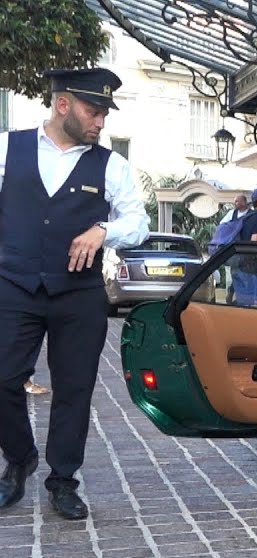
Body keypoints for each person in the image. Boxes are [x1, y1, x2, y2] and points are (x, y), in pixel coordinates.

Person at [0, 68, 149, 520]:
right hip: (14, 285)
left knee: (74, 390)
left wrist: (103, 230)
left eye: (104, 113)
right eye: (93, 111)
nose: (100, 122)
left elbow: (137, 223)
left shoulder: (111, 165)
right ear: (62, 104)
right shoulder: (9, 147)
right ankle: (20, 458)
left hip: (78, 293)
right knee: (3, 378)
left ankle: (63, 479)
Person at [228, 187, 257, 308]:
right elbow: (254, 246)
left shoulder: (248, 217)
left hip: (238, 267)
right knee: (254, 308)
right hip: (249, 271)